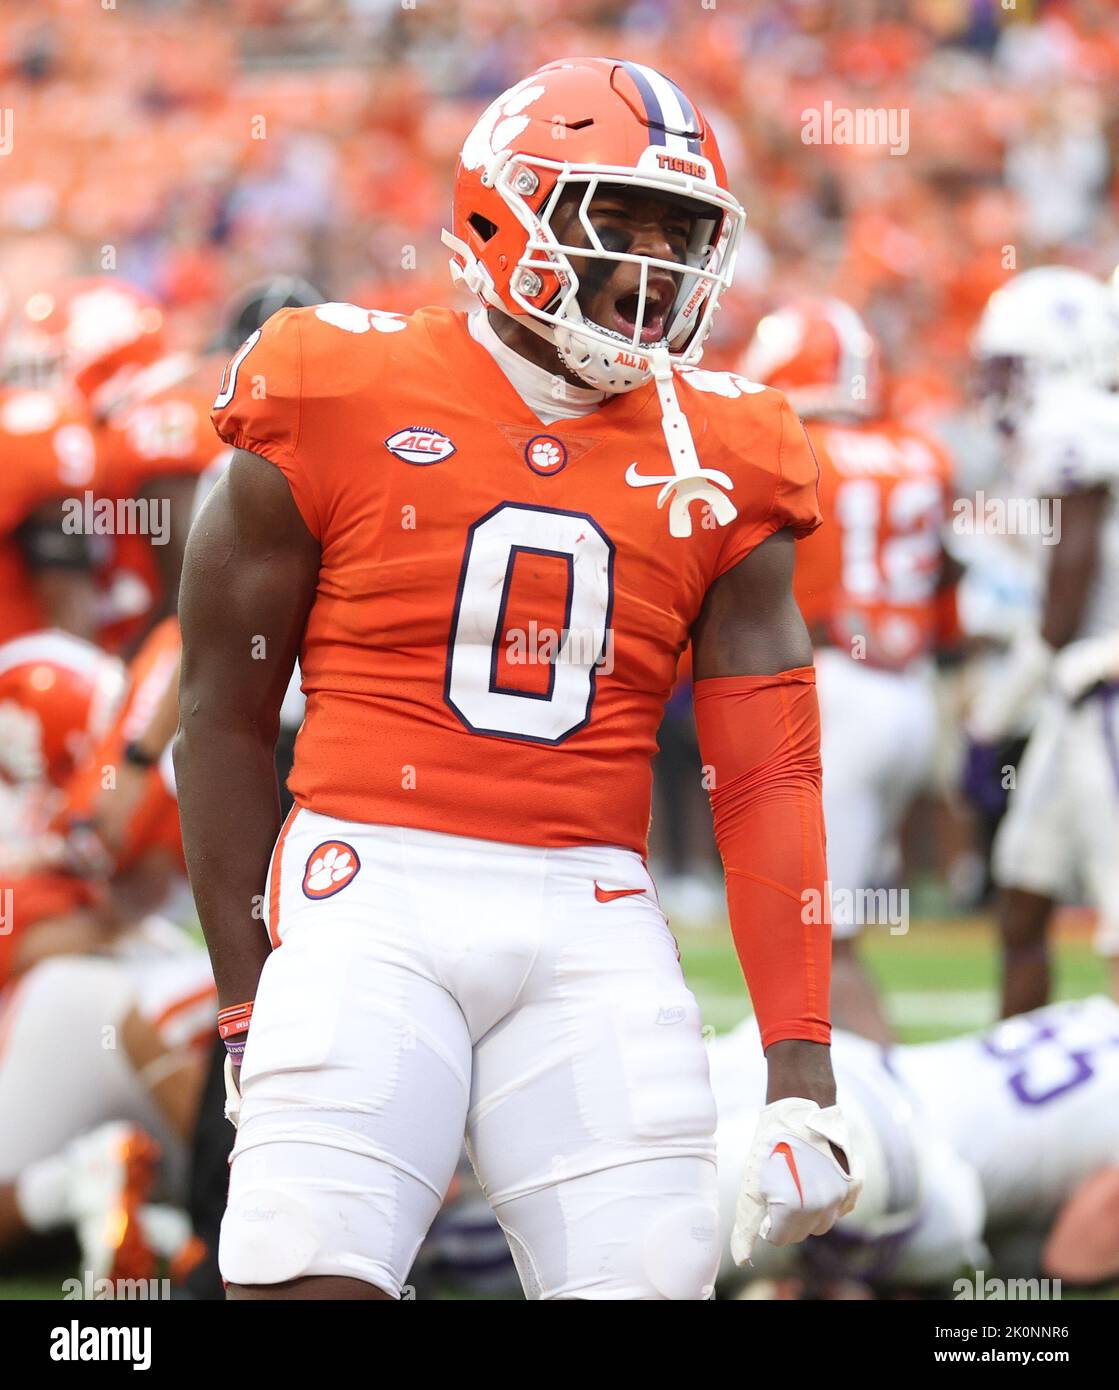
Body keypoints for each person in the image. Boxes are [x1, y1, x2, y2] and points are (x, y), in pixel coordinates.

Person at [176, 57, 861, 1301]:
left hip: (594, 912)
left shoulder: (737, 444)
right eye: (623, 222)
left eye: (684, 231)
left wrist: (802, 1070)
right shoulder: (332, 379)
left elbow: (768, 770)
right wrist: (242, 997)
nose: (658, 265)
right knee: (300, 1275)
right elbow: (219, 715)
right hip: (366, 889)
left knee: (646, 1284)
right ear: (505, 212)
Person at [740, 298, 957, 1043]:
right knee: (832, 921)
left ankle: (865, 1101)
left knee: (813, 930)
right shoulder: (923, 451)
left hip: (835, 688)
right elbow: (950, 585)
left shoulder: (796, 451)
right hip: (909, 691)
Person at [969, 267, 1119, 1014]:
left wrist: (994, 715)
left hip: (1106, 686)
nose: (1000, 386)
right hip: (1077, 697)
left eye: (1013, 366)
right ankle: (1014, 1084)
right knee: (1022, 894)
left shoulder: (1078, 424)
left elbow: (1063, 609)